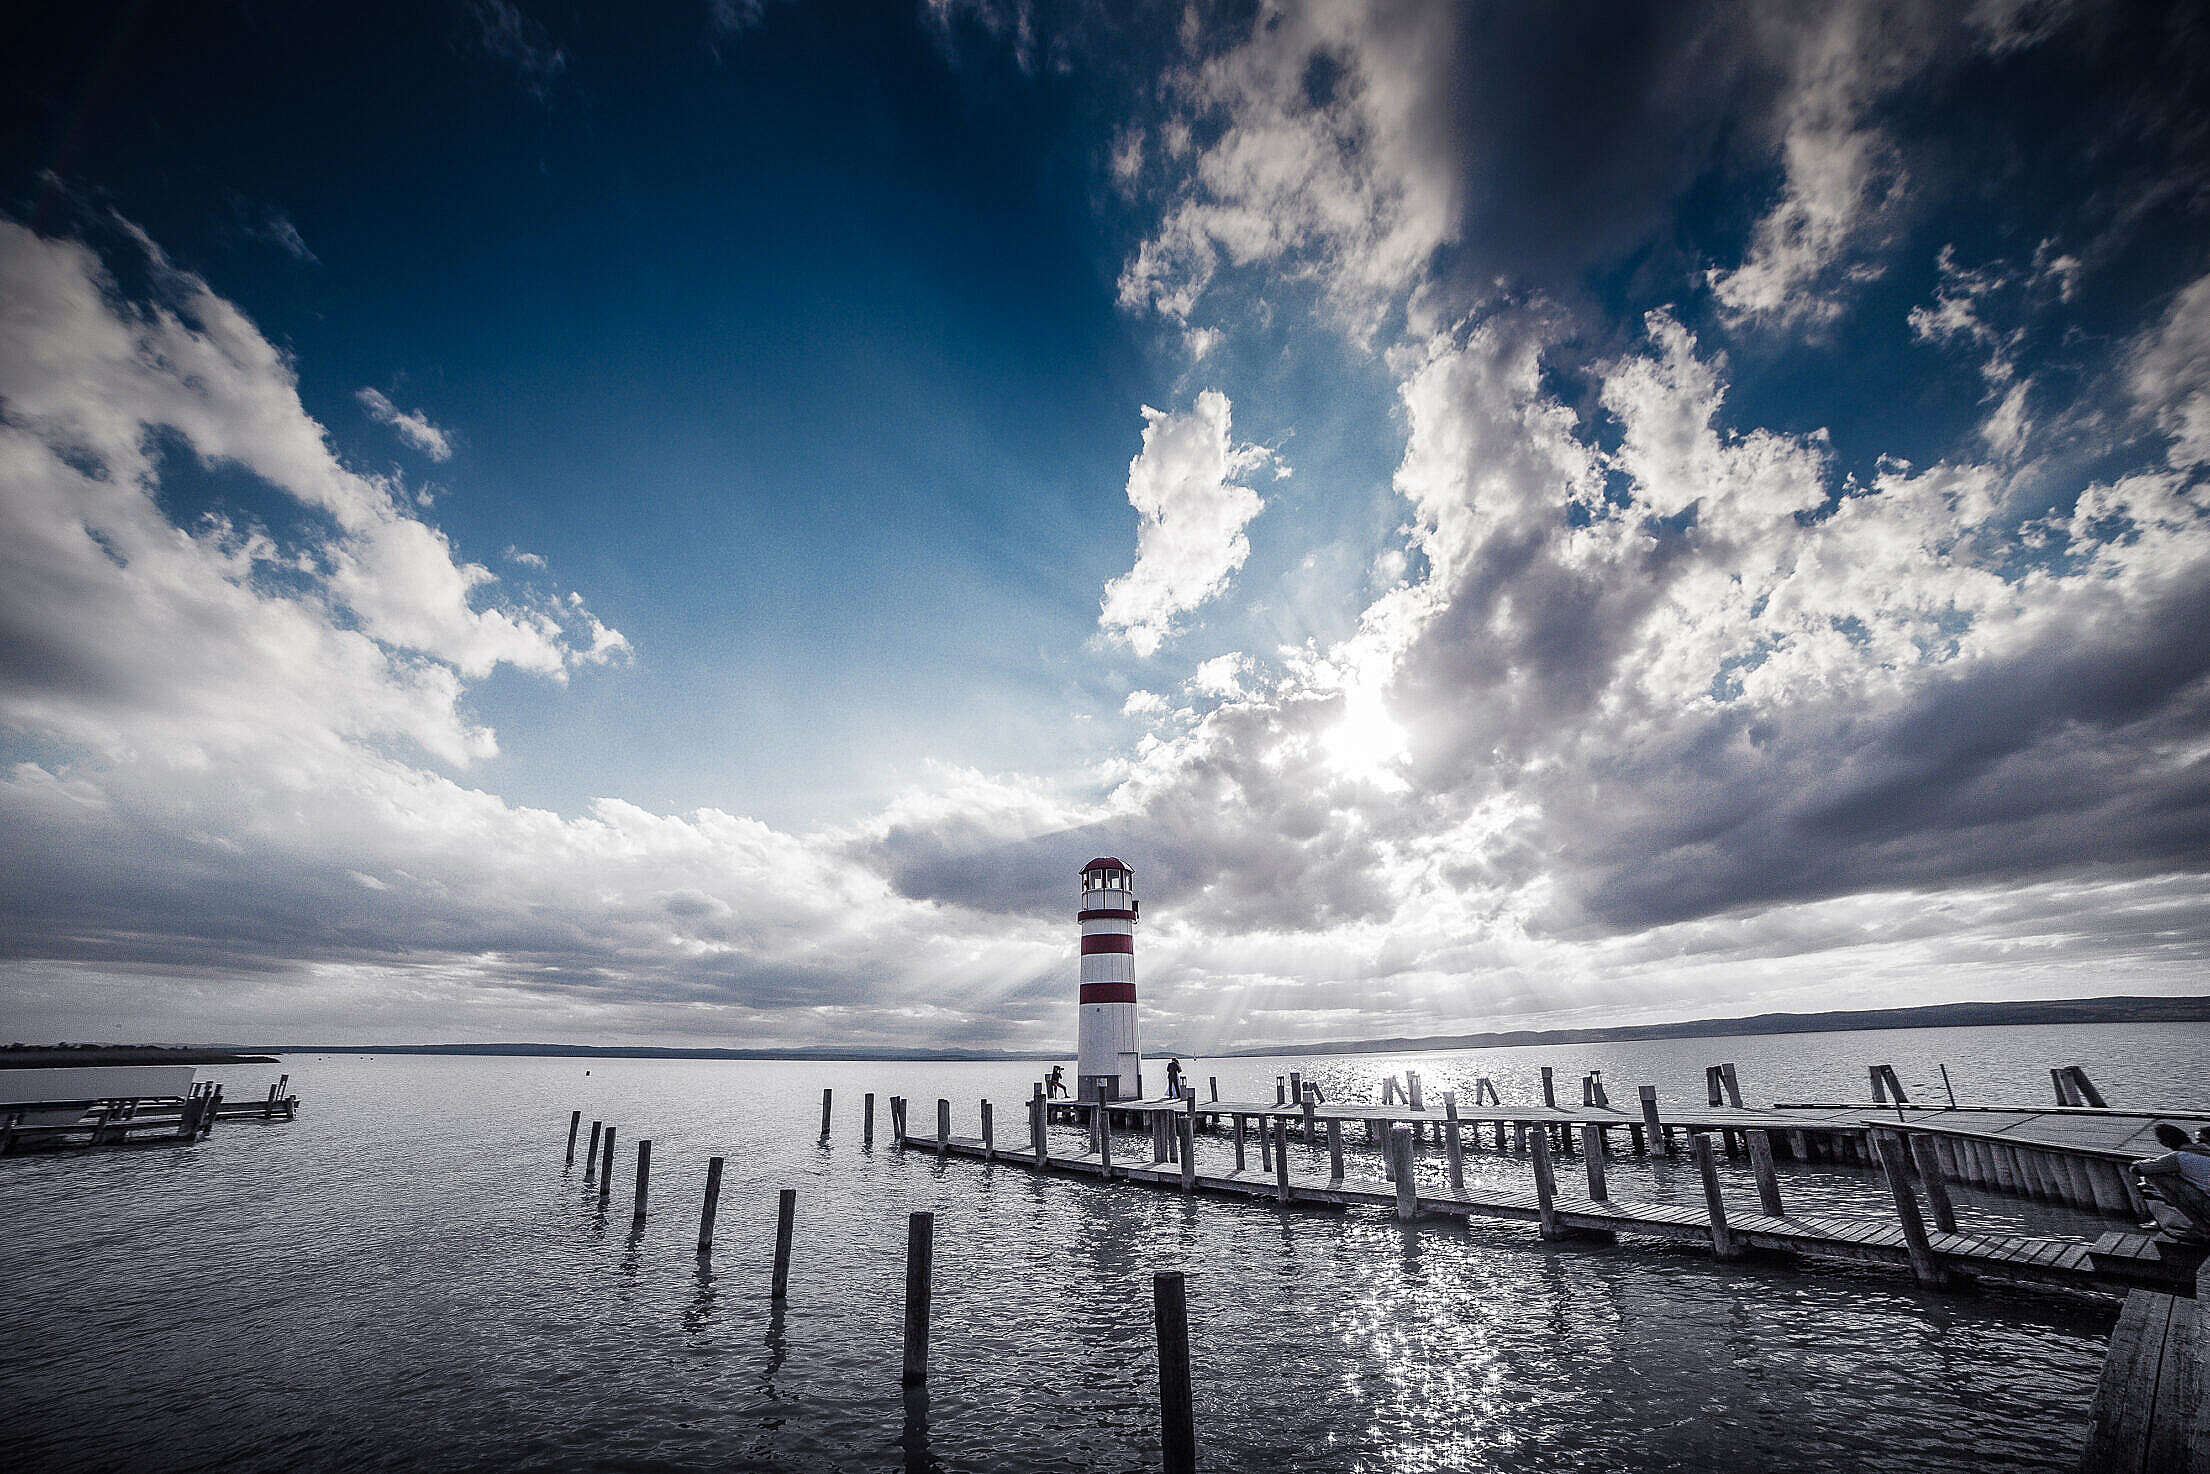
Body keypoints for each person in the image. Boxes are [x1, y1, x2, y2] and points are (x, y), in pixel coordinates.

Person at [2132, 1122, 2210, 1242]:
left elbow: (2137, 1169)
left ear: (2165, 1143)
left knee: (2155, 1176)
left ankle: (2202, 1228)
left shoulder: (2177, 1157)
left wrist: (2147, 1162)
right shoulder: (2204, 1151)